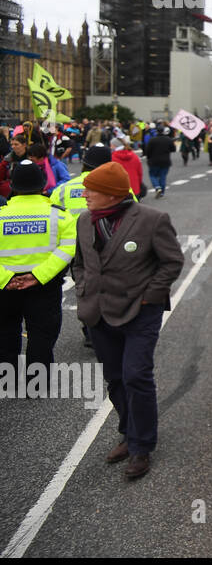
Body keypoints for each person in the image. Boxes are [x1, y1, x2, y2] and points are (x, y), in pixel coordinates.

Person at [72, 162, 184, 480]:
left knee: (136, 375)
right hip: (98, 312)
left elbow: (172, 260)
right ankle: (128, 432)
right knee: (116, 378)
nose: (84, 194)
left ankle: (141, 447)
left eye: (90, 190)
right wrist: (83, 288)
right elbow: (79, 263)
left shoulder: (152, 220)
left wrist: (151, 295)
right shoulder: (84, 221)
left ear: (110, 195)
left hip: (139, 312)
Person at [0, 160, 78, 373]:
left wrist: (5, 278)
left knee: (5, 332)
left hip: (5, 288)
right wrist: (38, 275)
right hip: (44, 286)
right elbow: (68, 248)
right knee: (42, 335)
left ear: (13, 186)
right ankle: (36, 384)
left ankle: (8, 378)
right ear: (43, 185)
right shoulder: (59, 215)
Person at [51, 143, 118, 348]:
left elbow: (52, 217)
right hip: (107, 247)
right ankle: (106, 325)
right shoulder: (115, 188)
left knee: (83, 286)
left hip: (73, 249)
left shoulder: (63, 190)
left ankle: (89, 328)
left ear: (84, 164)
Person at [143, 126, 175, 198]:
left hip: (154, 160)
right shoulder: (168, 139)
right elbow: (173, 149)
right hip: (165, 160)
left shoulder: (152, 140)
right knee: (163, 177)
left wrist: (148, 158)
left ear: (156, 131)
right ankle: (162, 193)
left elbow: (147, 151)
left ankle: (157, 187)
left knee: (152, 175)